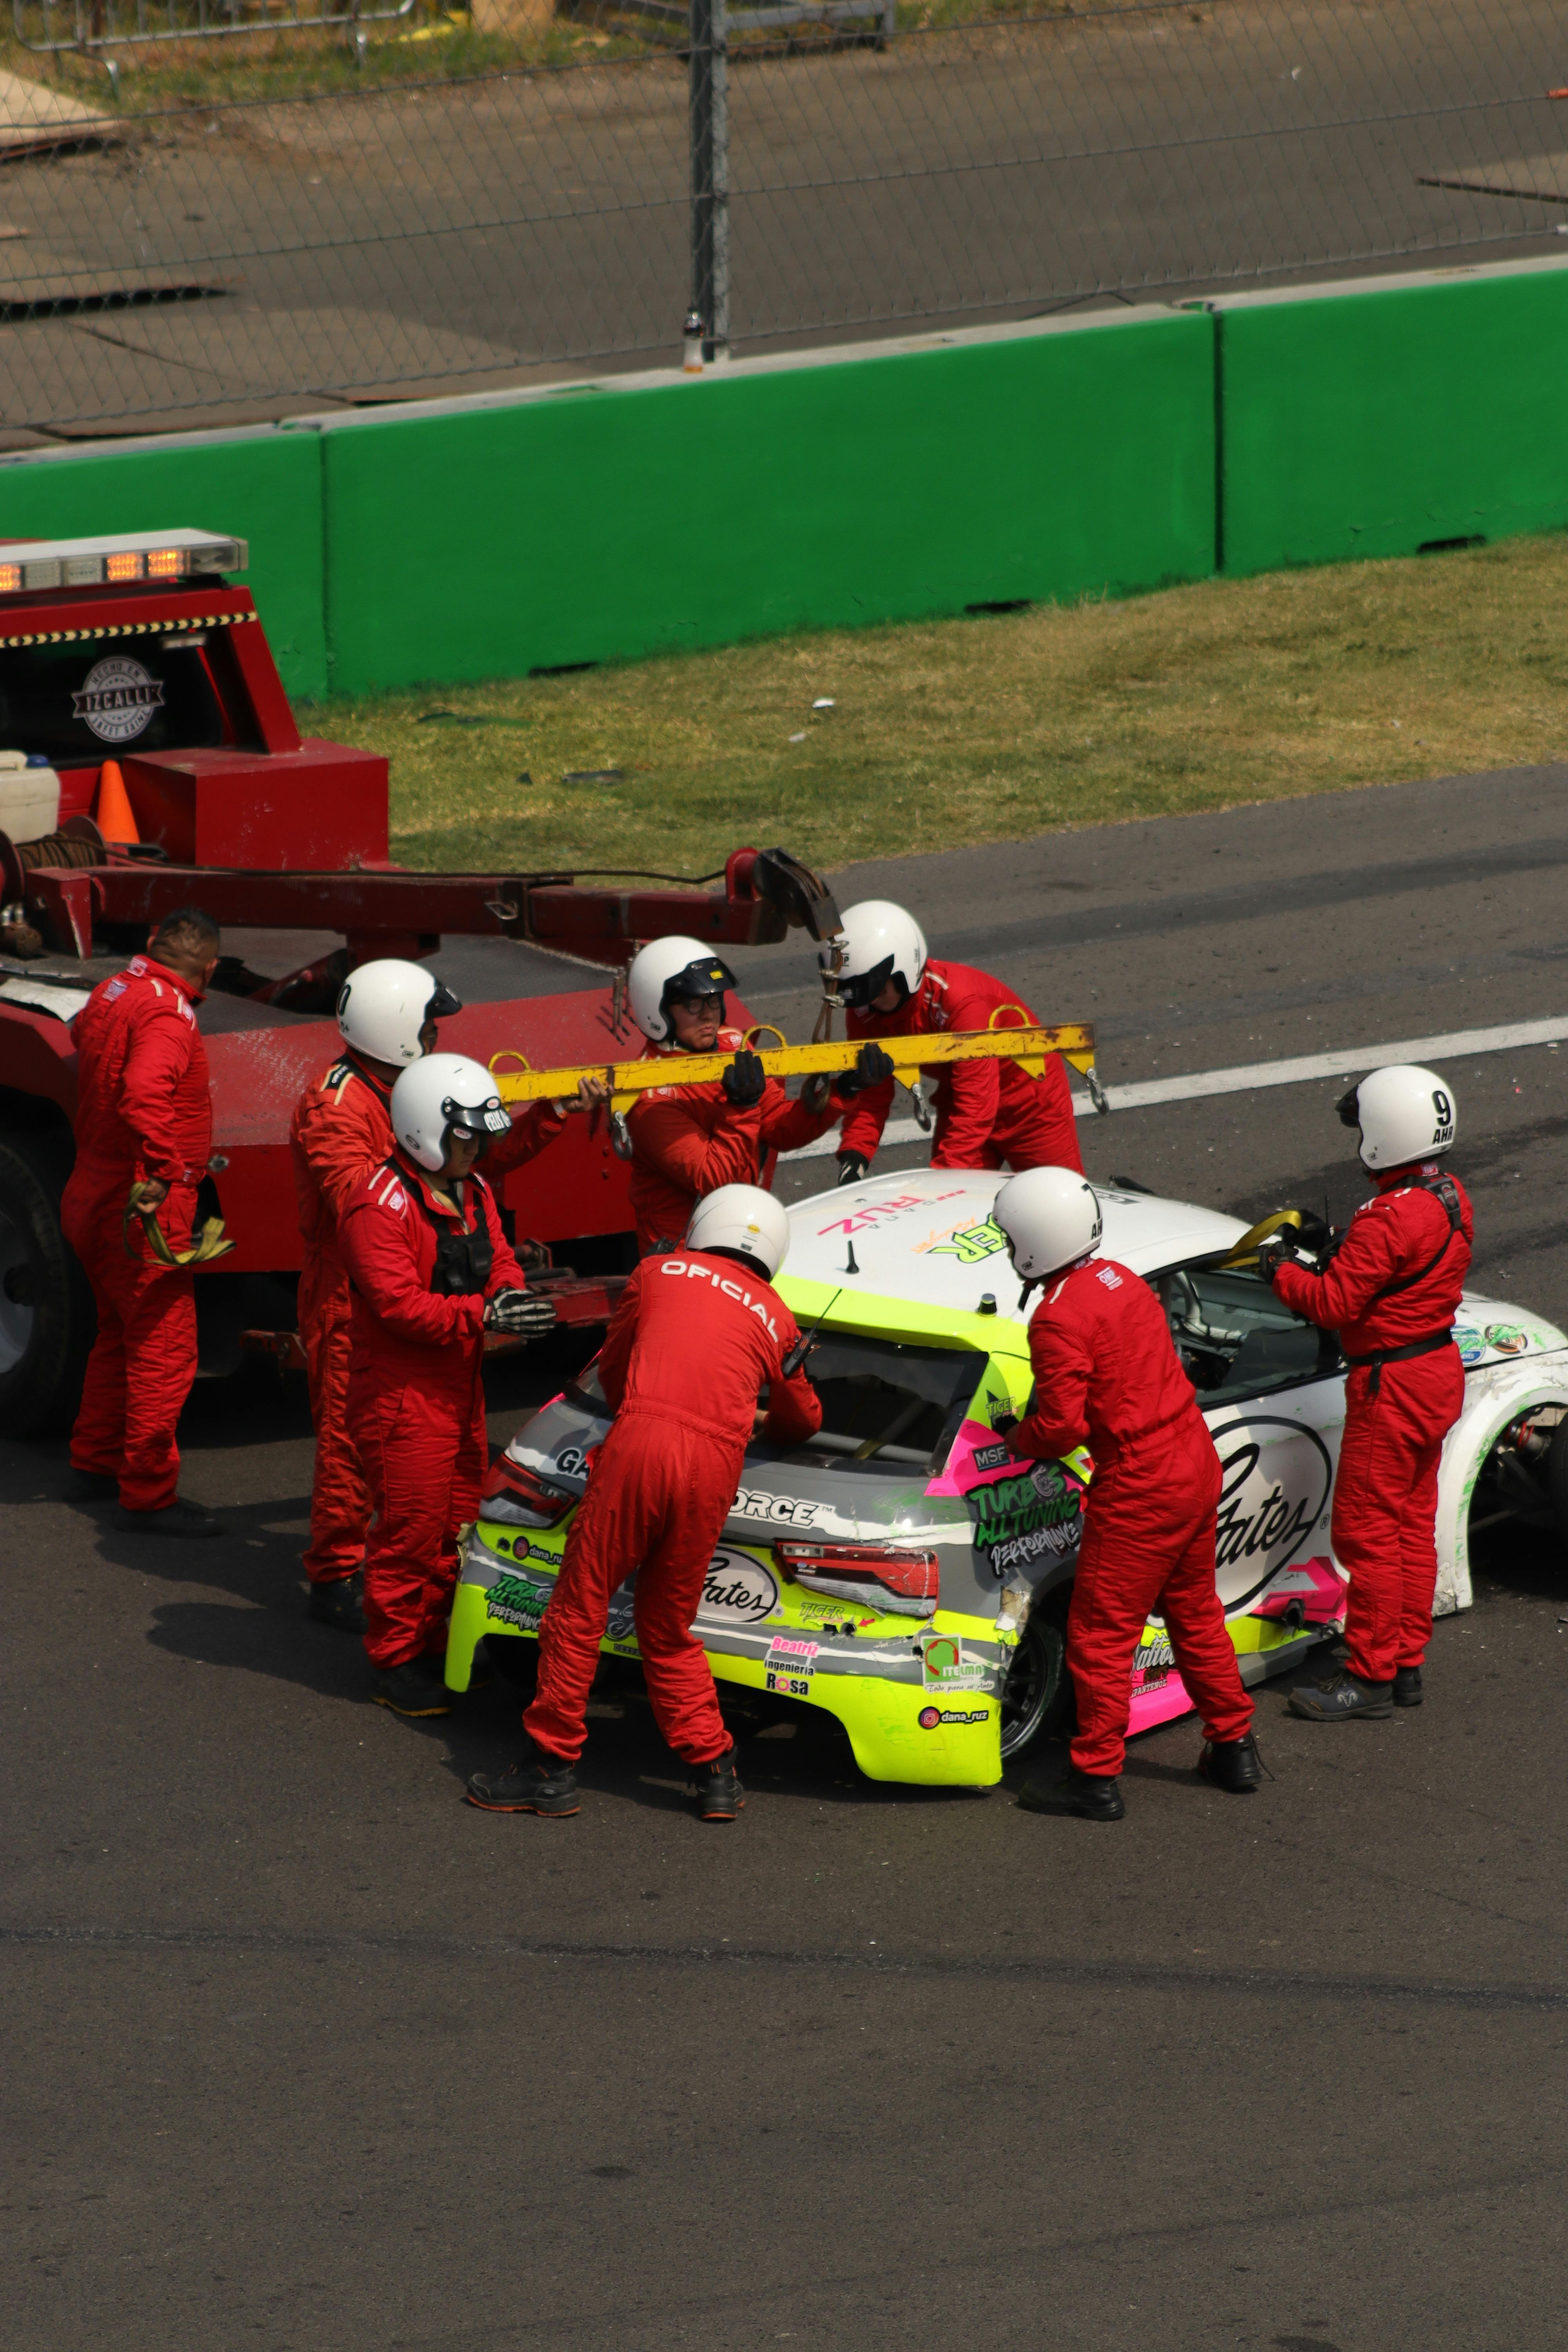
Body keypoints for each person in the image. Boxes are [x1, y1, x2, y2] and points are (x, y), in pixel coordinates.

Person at [466, 1183, 822, 1822]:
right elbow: (803, 1424)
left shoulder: (657, 1270)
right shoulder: (776, 1316)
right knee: (667, 1627)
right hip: (715, 1468)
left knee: (580, 1608)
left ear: (703, 1225)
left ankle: (550, 1768)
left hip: (642, 1445)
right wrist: (781, 1385)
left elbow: (613, 1371)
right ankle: (715, 1771)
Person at [290, 958, 599, 1632]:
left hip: (429, 1293)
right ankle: (337, 1571)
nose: (436, 1034)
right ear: (399, 1029)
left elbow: (470, 1162)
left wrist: (548, 1116)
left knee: (454, 1453)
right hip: (356, 1296)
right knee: (351, 1441)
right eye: (429, 1023)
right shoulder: (338, 1106)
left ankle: (434, 1572)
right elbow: (371, 1212)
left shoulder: (411, 1088)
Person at [992, 1166, 1258, 1821]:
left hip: (1141, 1482)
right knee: (1194, 1611)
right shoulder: (1119, 1278)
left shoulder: (1055, 1319)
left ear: (1033, 1242)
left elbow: (1060, 1429)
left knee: (1101, 1633)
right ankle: (1235, 1746)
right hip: (1193, 1457)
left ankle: (1096, 1780)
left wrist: (1015, 1434)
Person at [335, 1052, 558, 1716]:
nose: (478, 1148)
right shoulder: (376, 1204)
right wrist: (485, 1314)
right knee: (410, 1528)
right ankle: (395, 1659)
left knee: (459, 1521)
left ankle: (436, 1638)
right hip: (401, 1393)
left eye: (482, 1136)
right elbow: (398, 1306)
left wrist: (512, 1294)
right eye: (467, 1136)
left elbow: (502, 1259)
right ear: (423, 1131)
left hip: (457, 1384)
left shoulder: (474, 1190)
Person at [1258, 1064, 1472, 1723]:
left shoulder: (1386, 1216)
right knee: (1410, 1524)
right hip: (1436, 1369)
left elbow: (1332, 1302)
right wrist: (1340, 1248)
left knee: (1367, 1534)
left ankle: (1370, 1676)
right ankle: (1406, 1660)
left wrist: (1281, 1271)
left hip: (1391, 1384)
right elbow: (1393, 1268)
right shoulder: (1450, 1194)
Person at [62, 906, 225, 1537]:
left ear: (153, 945)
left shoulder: (114, 988)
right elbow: (142, 1090)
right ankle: (149, 1496)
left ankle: (95, 1462)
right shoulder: (168, 1012)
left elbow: (84, 1044)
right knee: (163, 1348)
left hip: (91, 1187)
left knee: (116, 1333)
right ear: (207, 968)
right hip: (138, 1202)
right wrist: (162, 1169)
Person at [622, 935, 891, 1252]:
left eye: (713, 1000)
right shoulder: (651, 1100)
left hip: (739, 1237)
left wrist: (844, 1090)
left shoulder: (733, 1043)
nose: (709, 1014)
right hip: (683, 1255)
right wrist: (741, 1107)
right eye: (693, 1004)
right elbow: (715, 1182)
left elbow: (780, 1128)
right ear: (657, 1010)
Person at [824, 901, 1084, 1185]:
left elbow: (978, 1102)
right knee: (956, 1218)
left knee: (1063, 1207)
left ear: (904, 974)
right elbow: (872, 1091)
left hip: (1031, 1109)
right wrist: (855, 1156)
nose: (870, 1003)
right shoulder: (864, 1009)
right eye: (862, 994)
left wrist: (943, 1178)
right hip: (962, 1101)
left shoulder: (960, 1001)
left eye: (878, 991)